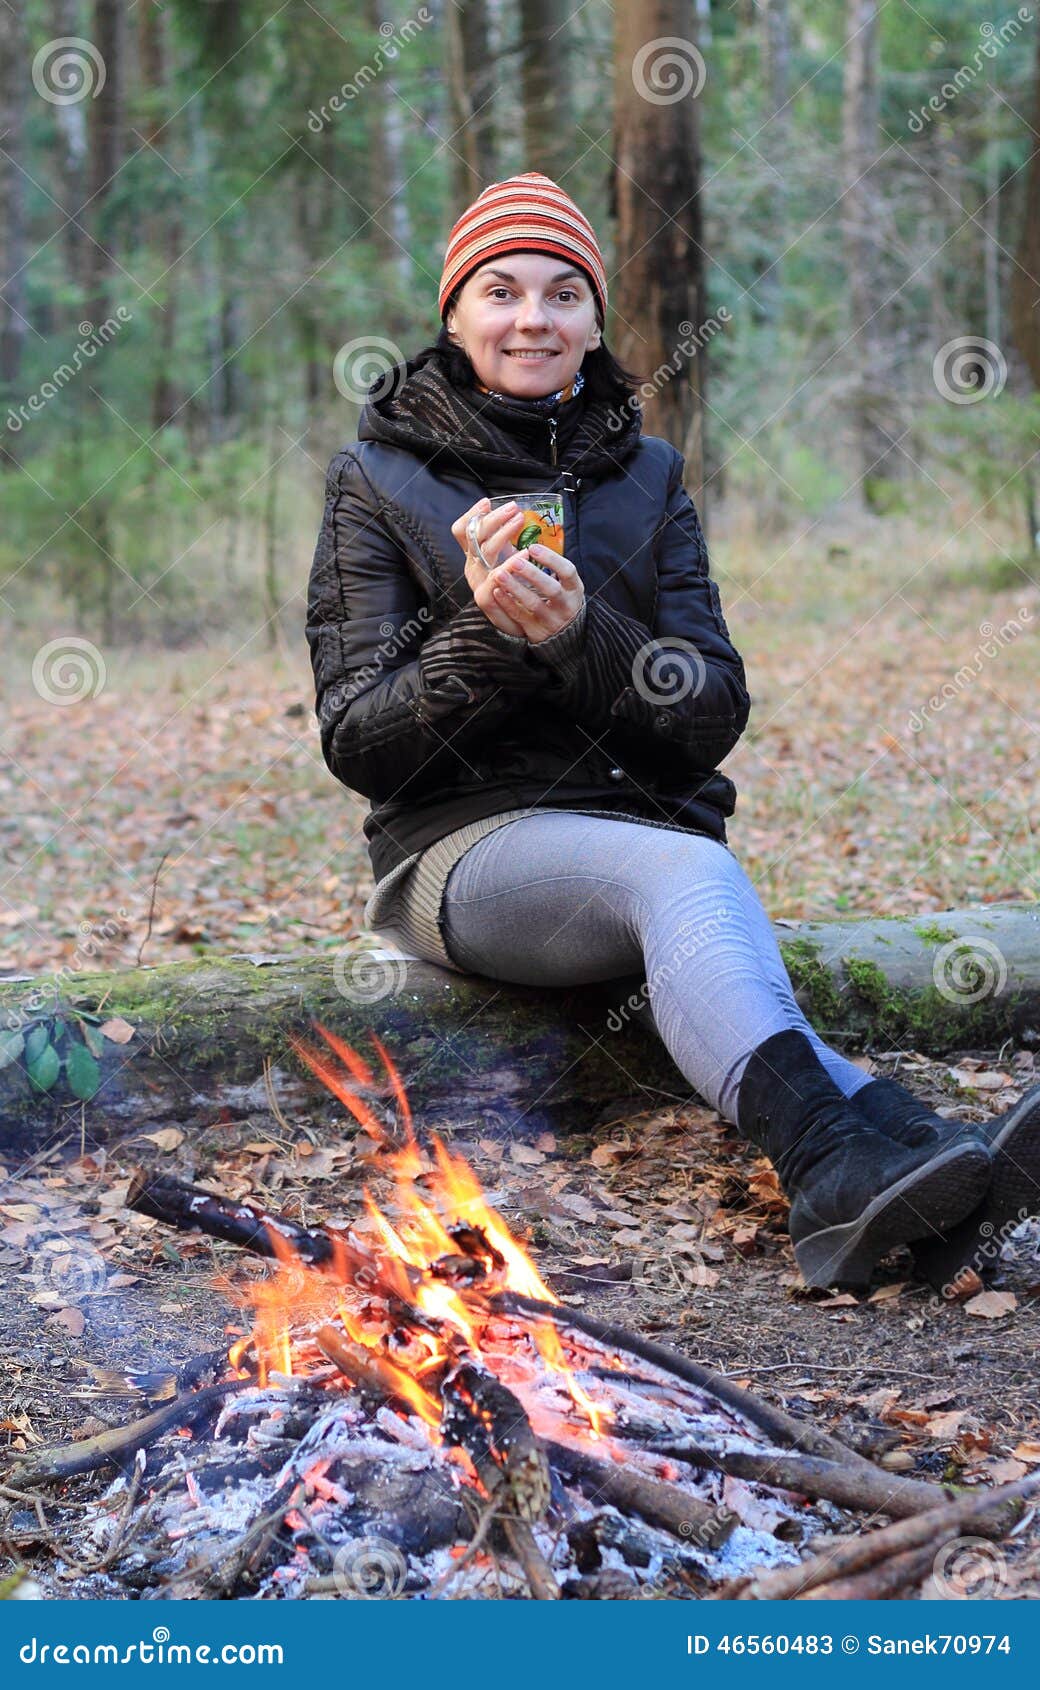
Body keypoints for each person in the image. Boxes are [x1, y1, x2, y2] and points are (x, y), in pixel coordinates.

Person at [307, 172, 1040, 1292]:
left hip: (641, 845)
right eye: (499, 291)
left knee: (685, 886)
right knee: (684, 876)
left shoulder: (645, 475)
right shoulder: (376, 475)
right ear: (451, 314)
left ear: (594, 321)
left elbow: (708, 711)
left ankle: (922, 1165)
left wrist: (579, 637)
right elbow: (359, 739)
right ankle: (830, 1170)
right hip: (458, 854)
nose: (531, 319)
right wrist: (485, 636)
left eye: (562, 294)